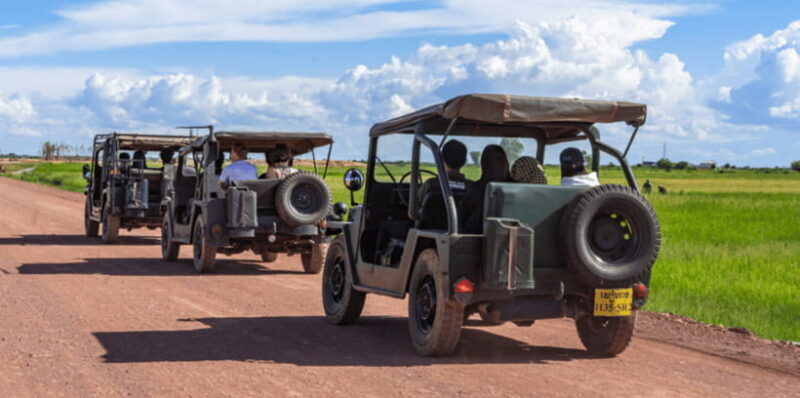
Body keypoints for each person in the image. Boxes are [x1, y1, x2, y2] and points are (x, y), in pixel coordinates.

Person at [459, 144, 510, 234]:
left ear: (483, 164)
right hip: (512, 239)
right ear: (506, 163)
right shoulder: (516, 190)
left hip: (476, 241)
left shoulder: (475, 190)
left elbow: (462, 221)